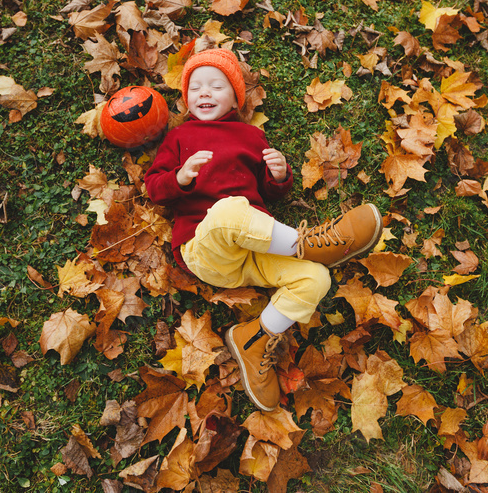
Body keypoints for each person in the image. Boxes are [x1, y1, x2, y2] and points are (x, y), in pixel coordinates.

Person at [144, 47, 383, 411]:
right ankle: (309, 242)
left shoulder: (251, 138)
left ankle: (255, 337)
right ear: (186, 99)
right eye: (195, 88)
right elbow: (154, 188)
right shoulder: (180, 139)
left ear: (236, 98)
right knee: (227, 210)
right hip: (204, 247)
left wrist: (279, 175)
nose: (204, 93)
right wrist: (180, 177)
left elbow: (268, 196)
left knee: (317, 279)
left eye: (216, 86)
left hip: (255, 253)